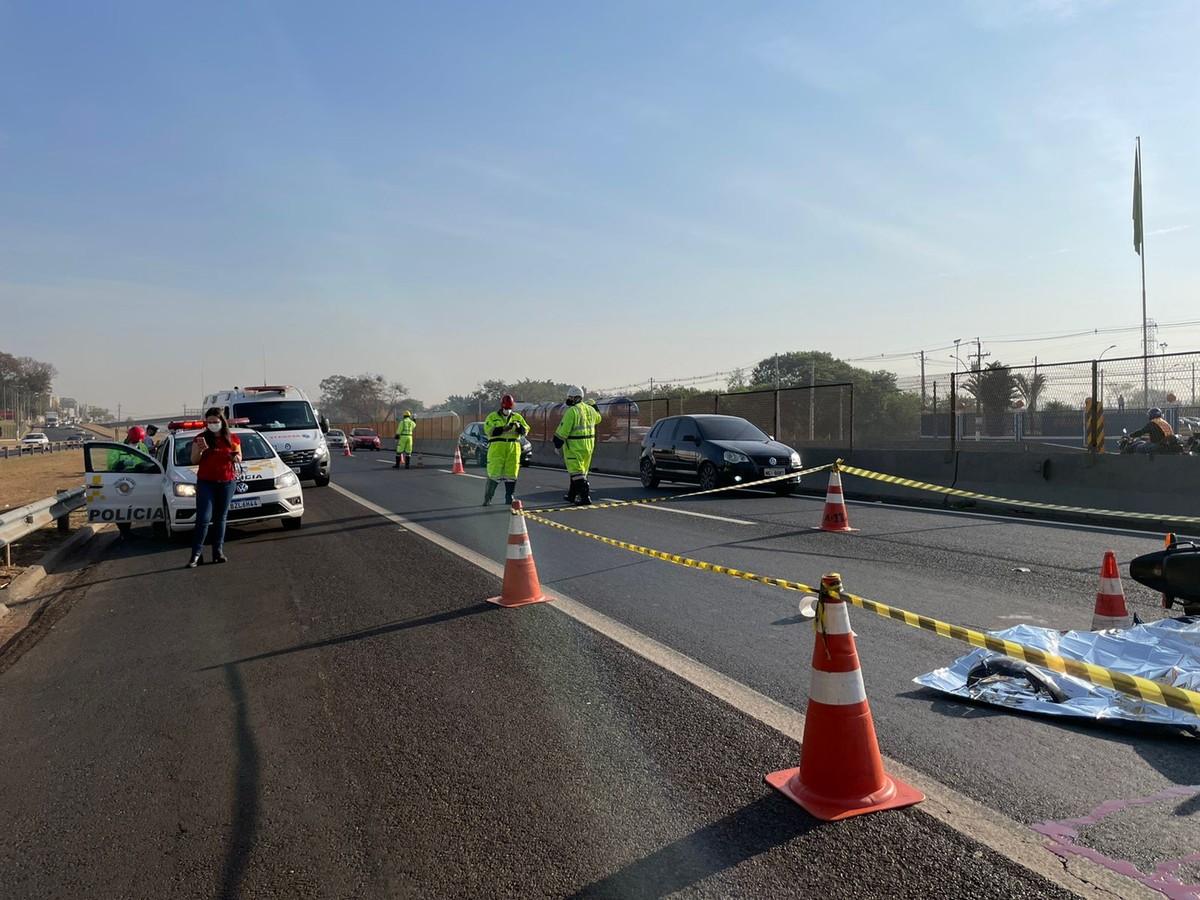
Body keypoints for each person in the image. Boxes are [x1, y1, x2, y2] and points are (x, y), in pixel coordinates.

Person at [186, 407, 242, 568]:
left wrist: (235, 457)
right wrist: (200, 451)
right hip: (206, 483)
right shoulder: (200, 438)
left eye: (215, 422)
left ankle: (218, 551)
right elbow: (194, 460)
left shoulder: (232, 438)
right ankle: (196, 554)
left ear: (222, 421)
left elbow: (239, 456)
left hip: (226, 482)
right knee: (203, 518)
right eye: (209, 422)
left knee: (220, 518)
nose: (212, 425)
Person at [553, 385, 602, 505]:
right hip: (588, 447)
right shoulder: (590, 410)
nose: (569, 399)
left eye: (571, 397)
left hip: (574, 447)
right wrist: (595, 407)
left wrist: (557, 443)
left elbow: (563, 431)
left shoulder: (572, 411)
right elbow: (599, 419)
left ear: (577, 398)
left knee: (576, 473)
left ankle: (585, 497)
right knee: (579, 472)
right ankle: (572, 495)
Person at [107, 426, 154, 539]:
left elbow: (147, 459)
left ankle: (127, 532)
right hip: (122, 482)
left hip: (139, 480)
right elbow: (111, 464)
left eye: (139, 441)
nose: (137, 443)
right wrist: (121, 464)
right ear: (129, 437)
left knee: (133, 508)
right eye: (135, 441)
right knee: (122, 508)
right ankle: (124, 532)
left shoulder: (142, 446)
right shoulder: (118, 448)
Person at [482, 395, 529, 506]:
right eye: (506, 408)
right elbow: (489, 430)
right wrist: (502, 429)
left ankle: (509, 497)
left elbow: (526, 430)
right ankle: (488, 497)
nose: (508, 410)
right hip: (497, 448)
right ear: (502, 406)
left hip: (513, 448)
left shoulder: (517, 417)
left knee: (512, 473)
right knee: (494, 473)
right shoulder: (492, 417)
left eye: (509, 408)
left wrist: (519, 427)